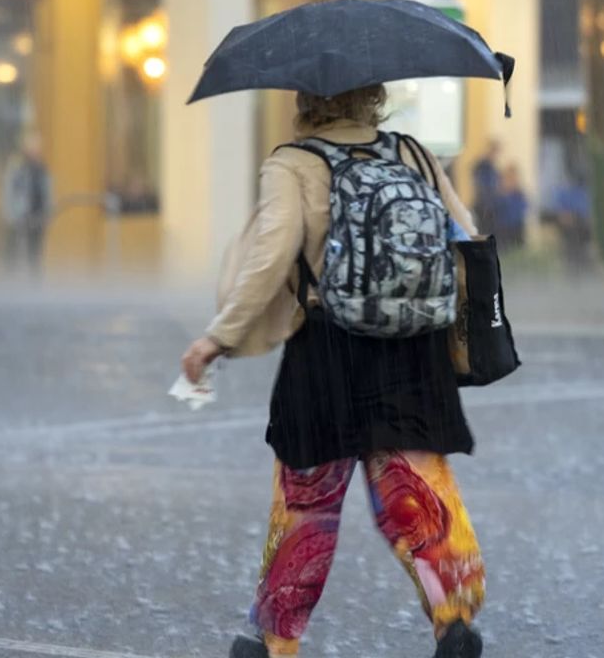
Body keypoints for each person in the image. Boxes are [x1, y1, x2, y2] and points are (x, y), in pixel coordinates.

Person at [180, 85, 487, 658]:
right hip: (412, 351)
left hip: (327, 350)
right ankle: (454, 616)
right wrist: (463, 339)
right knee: (418, 486)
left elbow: (271, 256)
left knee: (307, 502)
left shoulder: (293, 164)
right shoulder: (413, 153)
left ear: (305, 100)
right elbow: (463, 238)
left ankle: (272, 640)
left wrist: (219, 335)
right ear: (373, 96)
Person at [1, 132, 53, 279]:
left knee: (34, 252)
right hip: (20, 216)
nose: (34, 152)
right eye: (32, 149)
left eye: (37, 149)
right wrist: (10, 215)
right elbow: (8, 192)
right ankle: (12, 279)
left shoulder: (43, 170)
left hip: (37, 217)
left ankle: (34, 279)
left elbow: (48, 193)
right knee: (15, 252)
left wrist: (47, 214)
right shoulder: (17, 169)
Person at [470, 140, 503, 237]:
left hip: (492, 206)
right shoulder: (482, 166)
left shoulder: (493, 168)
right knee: (483, 232)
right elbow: (481, 186)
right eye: (494, 151)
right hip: (483, 206)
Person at [494, 164, 529, 252]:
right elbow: (497, 211)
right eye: (509, 178)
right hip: (504, 228)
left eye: (513, 177)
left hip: (517, 226)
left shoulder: (519, 193)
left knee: (519, 249)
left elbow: (524, 207)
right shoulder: (500, 195)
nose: (511, 180)